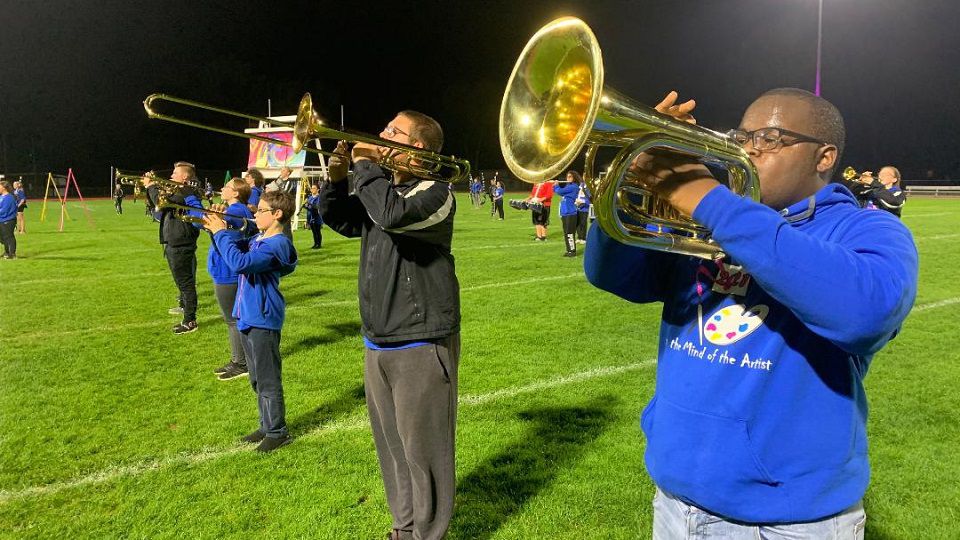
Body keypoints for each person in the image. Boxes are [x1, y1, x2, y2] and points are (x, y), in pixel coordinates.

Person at [584, 88, 918, 538]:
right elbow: (611, 275)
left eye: (771, 138)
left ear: (824, 157)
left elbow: (867, 313)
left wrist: (711, 199)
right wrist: (631, 178)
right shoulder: (710, 223)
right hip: (676, 502)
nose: (750, 149)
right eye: (744, 136)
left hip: (789, 521)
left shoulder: (867, 228)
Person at [320, 110, 460, 540]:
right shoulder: (386, 190)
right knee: (393, 450)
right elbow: (341, 220)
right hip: (378, 339)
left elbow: (391, 216)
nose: (380, 135)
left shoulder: (436, 193)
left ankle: (428, 535)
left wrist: (364, 164)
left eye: (390, 131)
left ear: (416, 146)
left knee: (425, 455)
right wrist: (337, 181)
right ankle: (404, 528)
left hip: (419, 339)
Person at [203, 190, 298, 452]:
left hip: (263, 318)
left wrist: (221, 232)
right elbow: (230, 252)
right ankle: (266, 425)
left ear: (277, 214)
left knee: (267, 379)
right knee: (256, 377)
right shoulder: (259, 238)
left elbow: (240, 263)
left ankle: (278, 432)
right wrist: (215, 228)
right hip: (247, 314)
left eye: (261, 211)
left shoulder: (277, 244)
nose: (255, 215)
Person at [208, 178, 256, 381]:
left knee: (232, 320)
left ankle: (241, 363)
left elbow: (228, 240)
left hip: (227, 272)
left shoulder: (236, 211)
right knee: (233, 319)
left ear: (236, 193)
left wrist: (213, 220)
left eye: (226, 187)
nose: (222, 188)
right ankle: (238, 359)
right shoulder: (235, 210)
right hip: (226, 270)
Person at [159, 161, 204, 335]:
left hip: (181, 244)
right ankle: (185, 308)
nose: (171, 176)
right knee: (182, 283)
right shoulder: (179, 191)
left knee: (186, 284)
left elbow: (161, 202)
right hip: (174, 242)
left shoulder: (187, 192)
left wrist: (151, 187)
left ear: (184, 176)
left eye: (174, 173)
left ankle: (190, 321)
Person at [553, 170, 583, 256]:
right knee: (566, 233)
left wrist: (556, 185)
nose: (567, 178)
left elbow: (559, 191)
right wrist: (555, 186)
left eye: (570, 177)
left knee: (570, 233)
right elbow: (558, 191)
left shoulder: (574, 186)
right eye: (567, 177)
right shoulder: (568, 186)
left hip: (570, 213)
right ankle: (569, 250)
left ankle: (572, 251)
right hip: (565, 213)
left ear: (574, 178)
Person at [303, 182, 323, 249]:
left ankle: (319, 244)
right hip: (310, 217)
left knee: (317, 231)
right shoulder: (310, 197)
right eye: (312, 188)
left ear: (318, 190)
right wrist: (305, 206)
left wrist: (309, 204)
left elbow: (317, 207)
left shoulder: (319, 197)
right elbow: (309, 208)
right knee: (314, 232)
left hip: (317, 217)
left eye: (314, 188)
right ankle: (315, 243)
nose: (312, 189)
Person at [0, 180, 17, 259]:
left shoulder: (9, 197)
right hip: (1, 219)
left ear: (4, 188)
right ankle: (6, 252)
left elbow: (4, 210)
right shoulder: (1, 197)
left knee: (9, 237)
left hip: (8, 220)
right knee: (3, 237)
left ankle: (12, 253)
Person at [574, 176, 591, 243]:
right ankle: (579, 237)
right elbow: (576, 194)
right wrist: (576, 200)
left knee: (583, 223)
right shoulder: (580, 185)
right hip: (577, 206)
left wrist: (583, 202)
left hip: (584, 208)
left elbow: (589, 197)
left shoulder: (588, 187)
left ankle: (583, 238)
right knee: (577, 223)